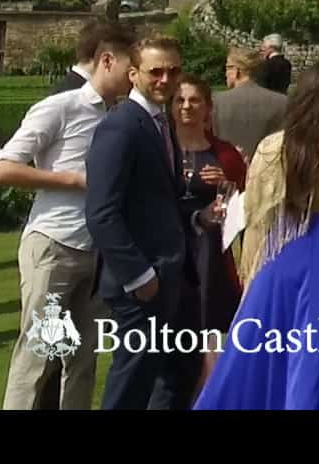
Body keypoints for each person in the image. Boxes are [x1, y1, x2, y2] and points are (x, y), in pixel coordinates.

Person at [195, 59, 319, 410]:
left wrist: (251, 276)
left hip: (280, 254)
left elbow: (257, 219)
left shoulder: (271, 147)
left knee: (268, 353)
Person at [0, 22, 132, 405]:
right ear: (107, 61)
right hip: (54, 244)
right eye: (130, 68)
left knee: (83, 361)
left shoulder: (118, 115)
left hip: (98, 252)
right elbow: (2, 169)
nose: (134, 77)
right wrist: (73, 179)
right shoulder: (61, 106)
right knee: (38, 356)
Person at [85, 36, 205, 409]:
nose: (165, 79)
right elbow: (101, 212)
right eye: (156, 72)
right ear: (134, 74)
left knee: (177, 375)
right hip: (142, 282)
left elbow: (159, 200)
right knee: (131, 387)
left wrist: (198, 217)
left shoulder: (159, 122)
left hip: (172, 275)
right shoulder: (121, 126)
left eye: (173, 71)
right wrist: (139, 276)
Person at [168, 75, 246, 394]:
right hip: (170, 248)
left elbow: (244, 198)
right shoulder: (161, 148)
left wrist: (226, 184)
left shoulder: (225, 153)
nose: (187, 106)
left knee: (207, 332)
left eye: (194, 100)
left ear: (208, 108)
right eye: (180, 100)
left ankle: (208, 394)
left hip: (209, 253)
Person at [214, 49, 290, 163]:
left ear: (236, 71)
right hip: (267, 167)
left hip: (225, 168)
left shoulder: (216, 101)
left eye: (227, 68)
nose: (225, 74)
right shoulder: (283, 102)